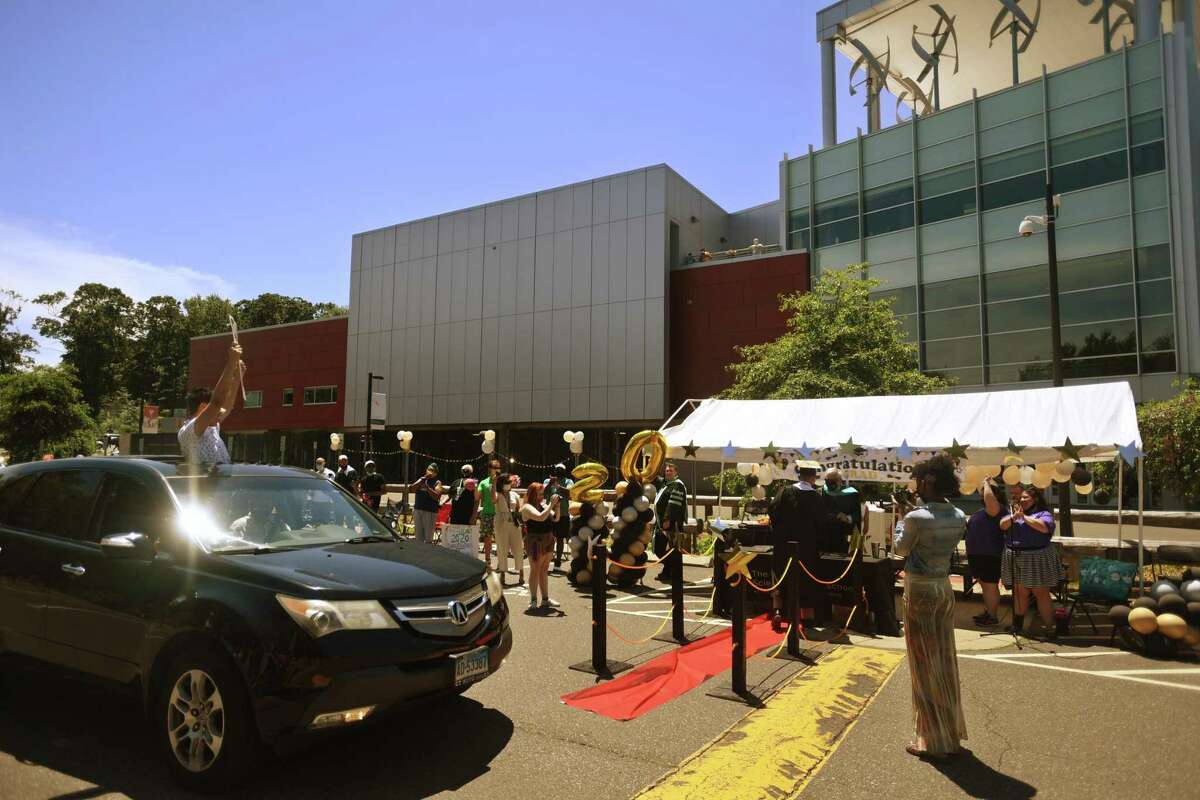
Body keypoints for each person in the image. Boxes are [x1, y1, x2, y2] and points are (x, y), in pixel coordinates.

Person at [893, 455, 967, 761]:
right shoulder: (960, 514)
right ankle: (949, 734)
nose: (917, 484)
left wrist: (901, 517)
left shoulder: (915, 518)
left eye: (920, 479)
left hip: (920, 590)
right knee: (944, 660)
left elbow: (900, 548)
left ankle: (930, 739)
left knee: (923, 665)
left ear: (928, 481)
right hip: (943, 589)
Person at [769, 460, 826, 631]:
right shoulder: (816, 497)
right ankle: (807, 617)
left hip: (784, 544)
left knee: (781, 576)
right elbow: (821, 522)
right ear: (813, 478)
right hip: (806, 547)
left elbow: (772, 510)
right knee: (807, 580)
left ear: (799, 475)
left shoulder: (785, 491)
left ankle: (778, 611)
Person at [999, 485, 1062, 638]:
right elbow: (1002, 525)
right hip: (1016, 556)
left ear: (1036, 499)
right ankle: (1018, 626)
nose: (1022, 500)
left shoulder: (1044, 514)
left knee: (1040, 593)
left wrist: (1024, 518)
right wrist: (1014, 517)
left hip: (1036, 557)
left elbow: (1044, 528)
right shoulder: (1014, 514)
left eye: (1025, 498)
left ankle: (1050, 627)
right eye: (1021, 498)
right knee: (1020, 593)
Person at [178, 343, 243, 465]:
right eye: (217, 410)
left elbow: (227, 406)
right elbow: (217, 400)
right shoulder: (191, 430)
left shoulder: (212, 426)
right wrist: (232, 362)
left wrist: (238, 377)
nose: (221, 413)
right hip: (206, 483)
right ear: (203, 407)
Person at [966, 478, 1006, 626]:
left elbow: (990, 499)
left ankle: (992, 616)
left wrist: (986, 484)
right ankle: (989, 612)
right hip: (978, 554)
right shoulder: (983, 511)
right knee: (985, 585)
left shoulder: (996, 508)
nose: (983, 494)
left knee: (990, 585)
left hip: (989, 554)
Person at [520, 482, 560, 610]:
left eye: (543, 494)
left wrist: (557, 507)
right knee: (535, 569)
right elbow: (541, 517)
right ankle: (533, 599)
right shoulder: (526, 507)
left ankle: (545, 599)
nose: (542, 497)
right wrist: (551, 504)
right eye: (540, 494)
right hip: (535, 541)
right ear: (532, 495)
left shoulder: (544, 505)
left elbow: (556, 519)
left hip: (548, 538)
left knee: (544, 569)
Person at [653, 461, 688, 582]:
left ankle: (671, 571)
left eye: (670, 471)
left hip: (671, 524)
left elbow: (673, 504)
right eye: (667, 471)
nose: (668, 472)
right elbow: (654, 478)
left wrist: (668, 519)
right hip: (660, 523)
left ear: (676, 472)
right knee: (659, 548)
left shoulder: (677, 485)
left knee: (668, 549)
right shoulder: (666, 484)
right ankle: (669, 570)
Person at [493, 473, 525, 586]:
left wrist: (520, 519)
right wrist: (493, 483)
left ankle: (521, 573)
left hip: (513, 522)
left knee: (518, 548)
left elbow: (518, 509)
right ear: (501, 484)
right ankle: (502, 574)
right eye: (506, 483)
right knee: (502, 549)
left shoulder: (514, 494)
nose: (508, 485)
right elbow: (493, 500)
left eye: (509, 483)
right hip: (501, 522)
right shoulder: (497, 494)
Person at [822, 468, 861, 554]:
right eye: (827, 480)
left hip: (842, 538)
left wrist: (848, 518)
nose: (830, 483)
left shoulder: (851, 494)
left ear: (840, 481)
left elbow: (858, 515)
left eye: (833, 480)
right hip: (824, 538)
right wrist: (835, 514)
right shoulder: (820, 493)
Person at [545, 464, 573, 569]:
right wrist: (550, 484)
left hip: (563, 514)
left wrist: (558, 487)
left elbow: (570, 493)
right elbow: (542, 493)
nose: (559, 472)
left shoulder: (568, 481)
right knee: (548, 538)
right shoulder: (548, 481)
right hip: (549, 514)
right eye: (557, 470)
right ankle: (547, 560)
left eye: (561, 471)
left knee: (560, 538)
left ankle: (557, 563)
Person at [475, 459, 502, 569]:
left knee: (501, 538)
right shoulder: (484, 482)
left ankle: (501, 562)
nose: (497, 470)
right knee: (487, 538)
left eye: (498, 468)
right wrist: (475, 487)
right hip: (487, 513)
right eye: (495, 468)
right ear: (490, 469)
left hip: (500, 514)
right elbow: (477, 497)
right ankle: (487, 560)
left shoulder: (502, 481)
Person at [408, 463, 443, 544]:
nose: (430, 472)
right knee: (418, 537)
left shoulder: (437, 482)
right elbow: (412, 489)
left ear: (436, 473)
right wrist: (422, 480)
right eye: (429, 470)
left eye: (433, 471)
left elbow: (437, 496)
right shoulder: (421, 479)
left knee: (428, 538)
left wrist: (427, 488)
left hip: (430, 511)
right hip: (418, 510)